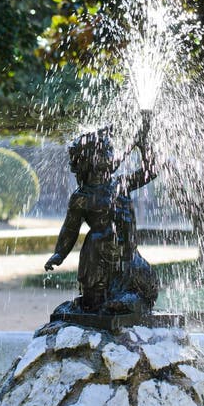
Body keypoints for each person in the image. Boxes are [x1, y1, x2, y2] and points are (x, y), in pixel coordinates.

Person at [44, 113, 158, 315]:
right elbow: (70, 228)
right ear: (89, 160)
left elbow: (151, 169)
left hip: (127, 254)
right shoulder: (82, 197)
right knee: (94, 297)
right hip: (98, 254)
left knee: (144, 284)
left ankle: (125, 302)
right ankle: (98, 302)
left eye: (110, 150)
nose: (112, 153)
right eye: (105, 151)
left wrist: (143, 144)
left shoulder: (120, 185)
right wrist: (59, 253)